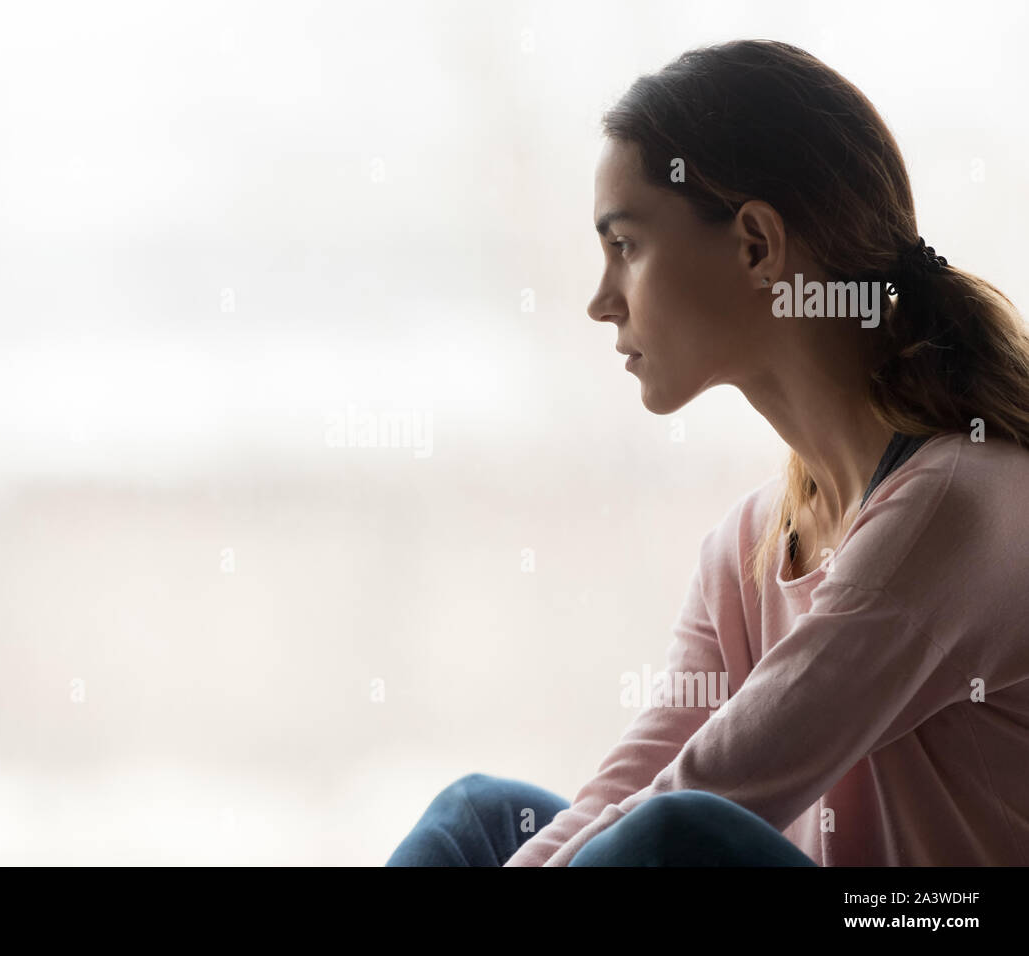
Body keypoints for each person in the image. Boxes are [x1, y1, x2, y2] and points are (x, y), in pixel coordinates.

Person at [388, 38, 1029, 867]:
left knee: (671, 832)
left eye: (626, 246)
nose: (599, 300)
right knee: (480, 816)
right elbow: (625, 789)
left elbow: (716, 788)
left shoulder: (955, 503)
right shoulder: (749, 543)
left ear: (757, 244)